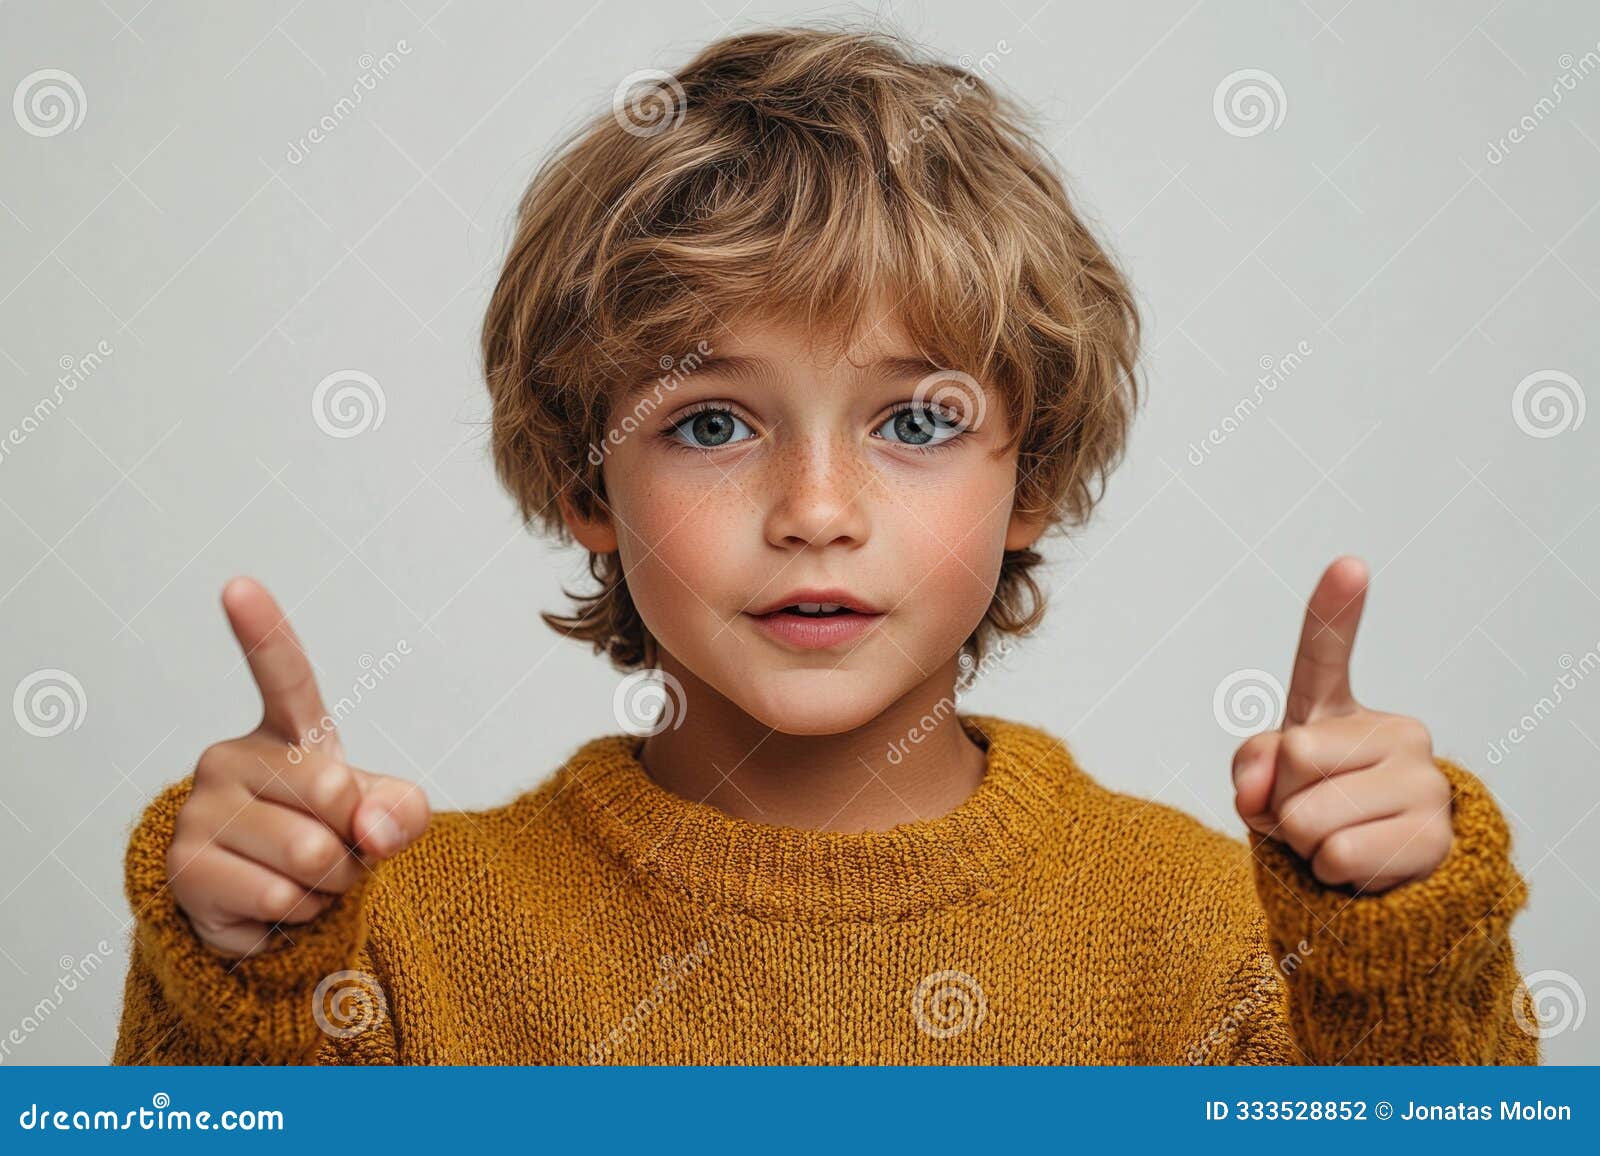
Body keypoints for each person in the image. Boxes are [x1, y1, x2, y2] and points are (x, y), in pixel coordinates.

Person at [113, 24, 1535, 1065]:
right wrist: (246, 980)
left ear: (1031, 473)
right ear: (582, 480)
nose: (815, 508)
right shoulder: (394, 940)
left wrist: (1398, 964)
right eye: (713, 425)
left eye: (915, 421)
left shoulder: (1215, 935)